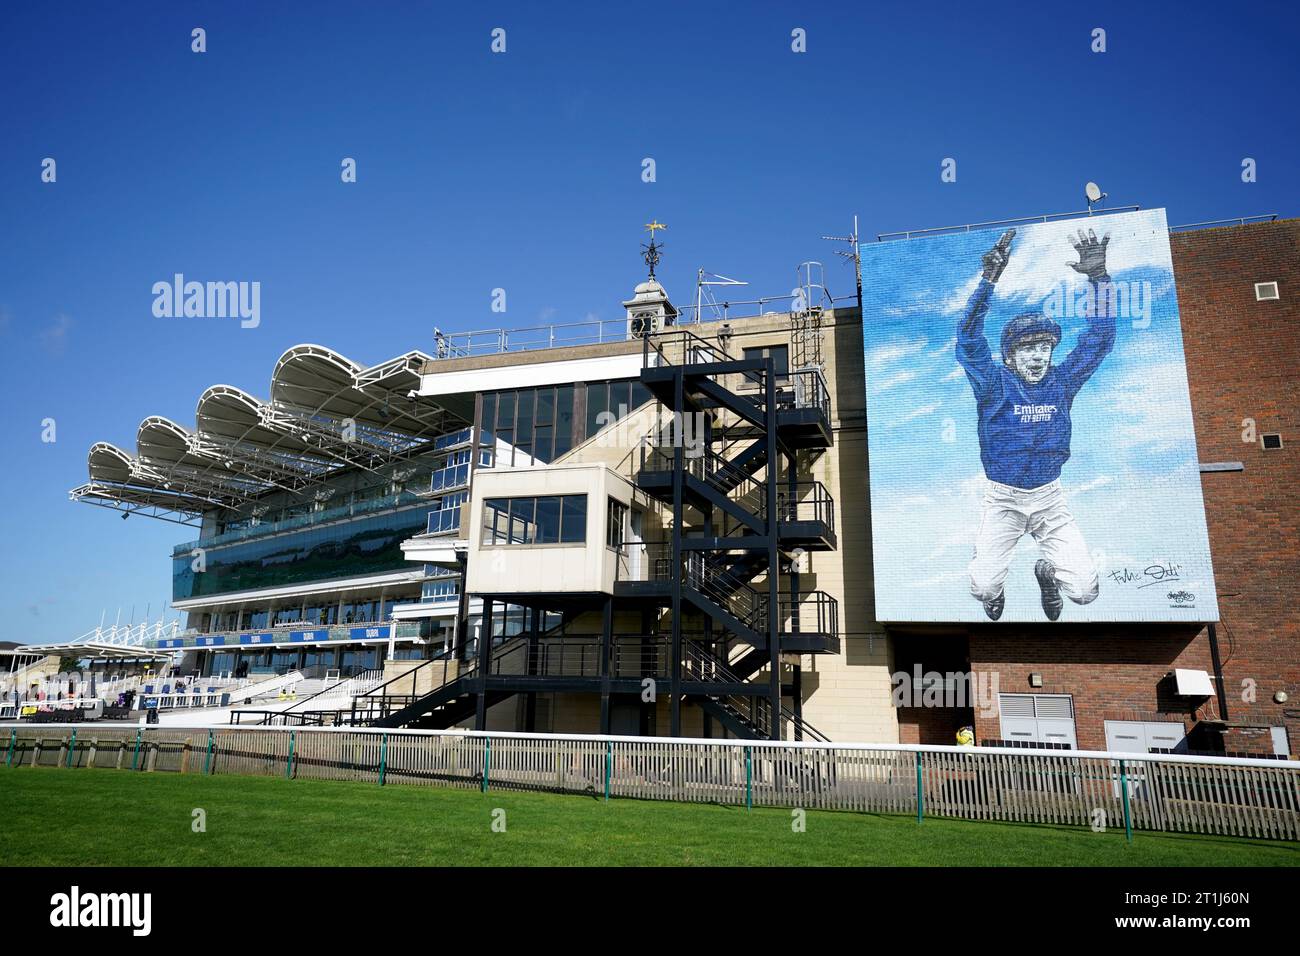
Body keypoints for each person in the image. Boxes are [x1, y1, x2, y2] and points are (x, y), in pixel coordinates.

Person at [956, 227, 1117, 621]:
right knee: (983, 588)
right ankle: (995, 591)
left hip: (1049, 500)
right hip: (1004, 501)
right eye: (1027, 348)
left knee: (1084, 591)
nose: (1037, 356)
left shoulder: (1063, 381)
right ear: (1010, 355)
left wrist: (1099, 280)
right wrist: (987, 281)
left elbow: (1100, 339)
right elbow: (967, 338)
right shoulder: (993, 382)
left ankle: (1048, 573)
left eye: (1044, 347)